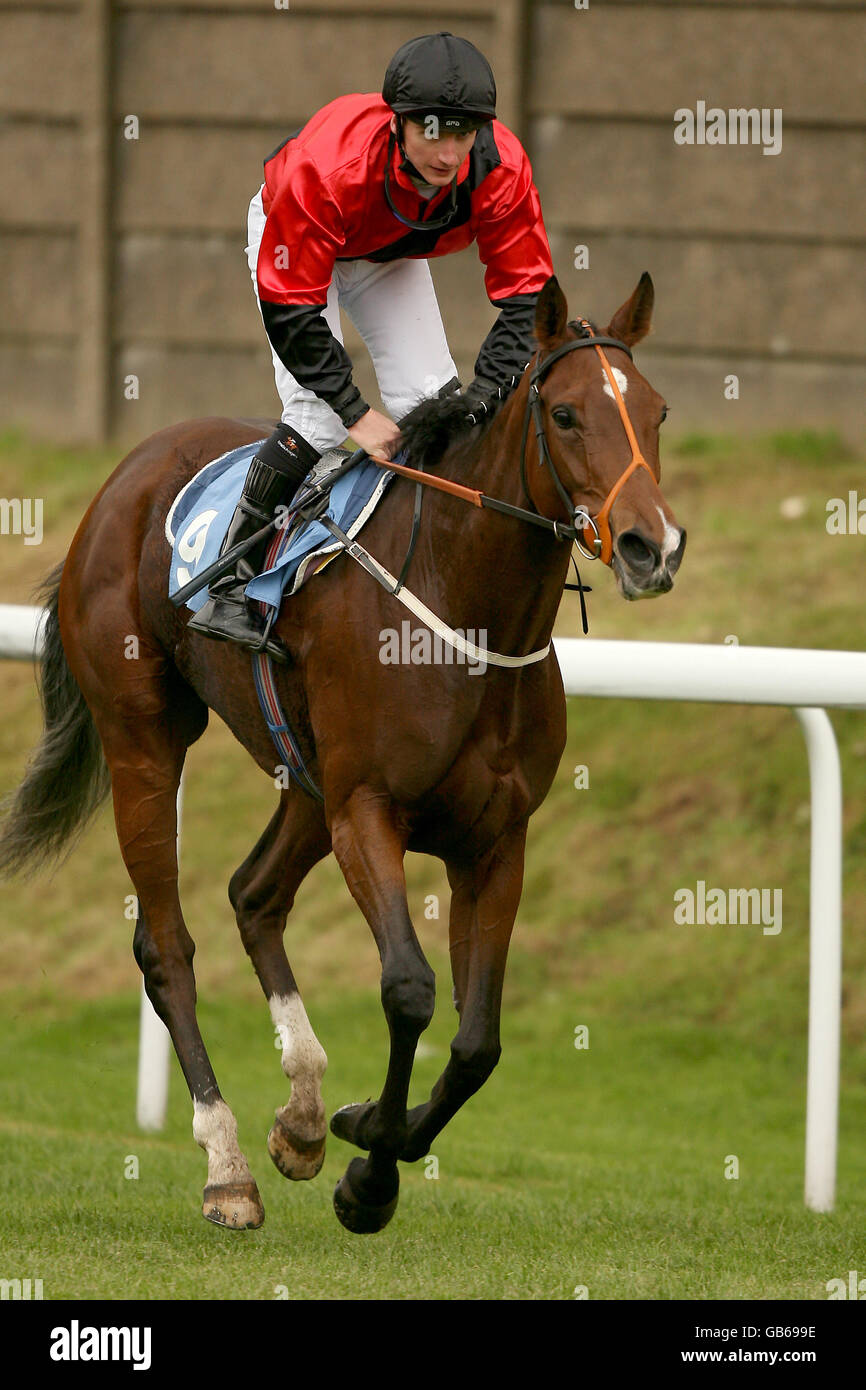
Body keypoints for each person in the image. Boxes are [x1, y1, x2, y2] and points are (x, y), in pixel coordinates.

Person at [189, 31, 554, 660]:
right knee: (320, 421)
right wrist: (356, 413)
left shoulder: (501, 167)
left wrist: (483, 398)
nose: (448, 154)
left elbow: (528, 299)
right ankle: (230, 582)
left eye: (463, 134)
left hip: (386, 250)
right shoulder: (327, 168)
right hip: (297, 240)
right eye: (433, 132)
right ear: (398, 123)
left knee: (437, 411)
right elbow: (293, 308)